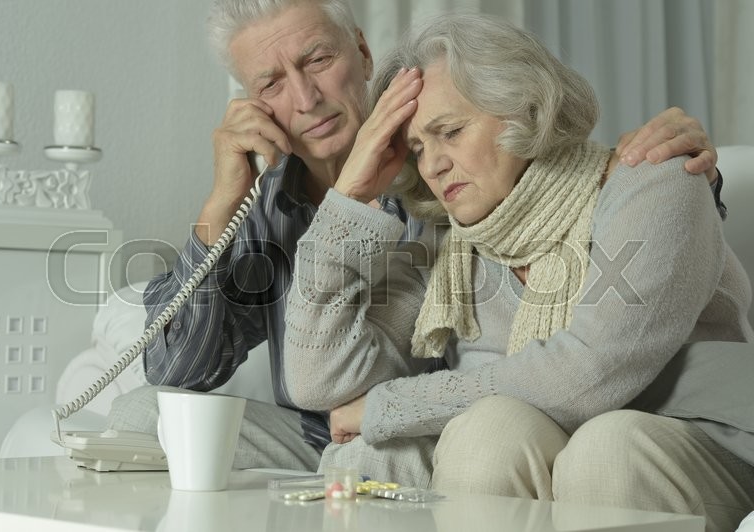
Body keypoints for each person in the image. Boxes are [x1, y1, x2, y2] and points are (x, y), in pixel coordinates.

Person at [115, 0, 724, 474]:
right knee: (142, 416)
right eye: (272, 83)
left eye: (318, 60)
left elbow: (566, 190)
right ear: (252, 101)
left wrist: (686, 179)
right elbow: (176, 369)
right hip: (325, 426)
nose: (306, 98)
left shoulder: (440, 198)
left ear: (360, 51)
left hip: (434, 428)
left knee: (425, 450)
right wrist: (224, 204)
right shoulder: (265, 203)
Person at [281, 12, 754, 531]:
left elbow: (589, 375)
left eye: (451, 131)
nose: (433, 165)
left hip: (696, 446)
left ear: (525, 107)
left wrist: (389, 405)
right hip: (535, 452)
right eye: (418, 148)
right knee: (488, 433)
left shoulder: (657, 183)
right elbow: (317, 382)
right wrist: (348, 196)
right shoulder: (448, 246)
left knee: (606, 447)